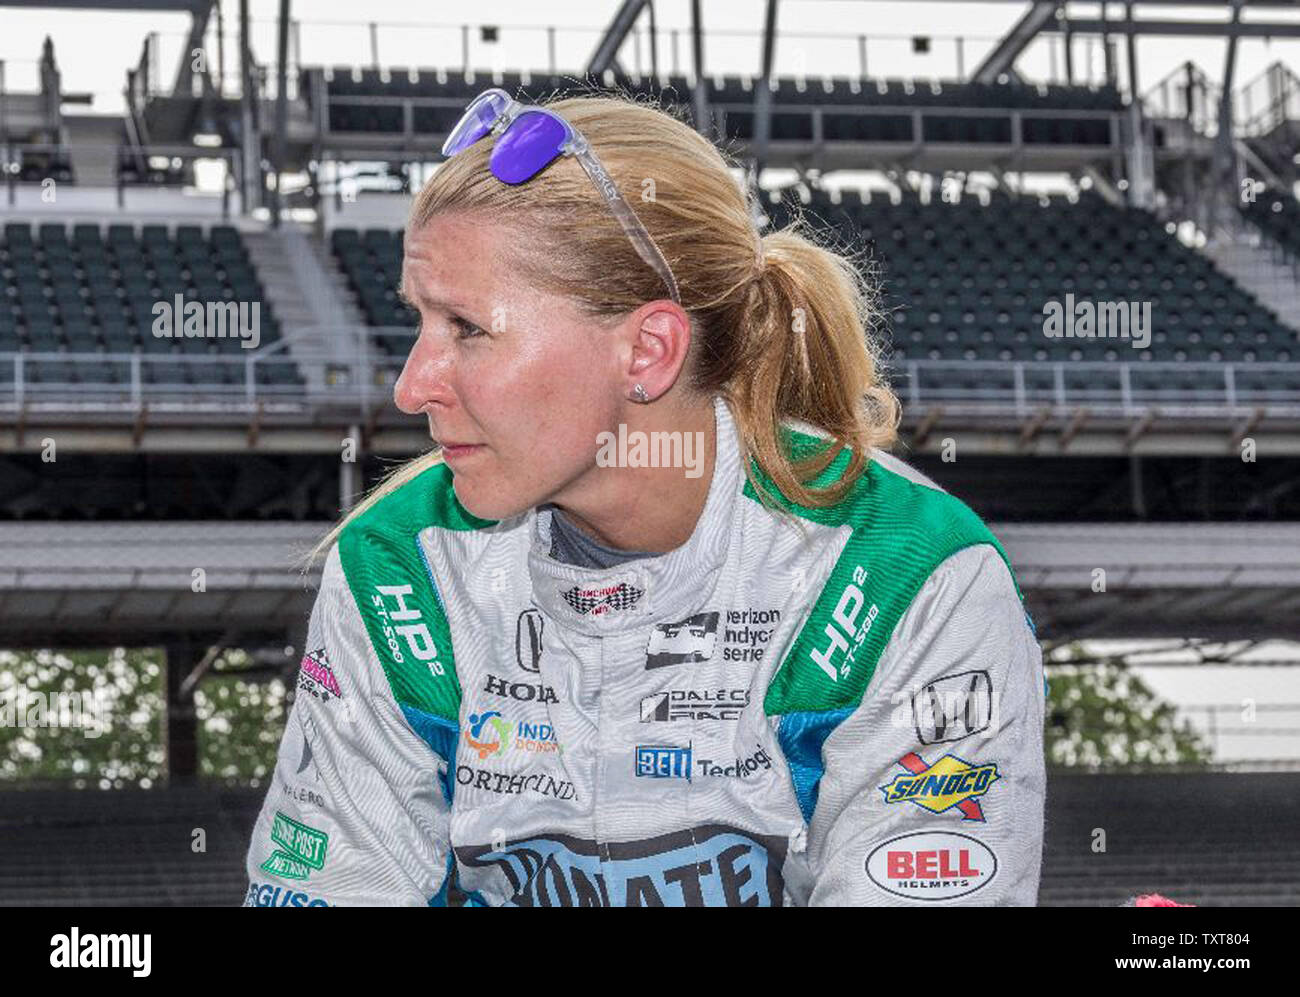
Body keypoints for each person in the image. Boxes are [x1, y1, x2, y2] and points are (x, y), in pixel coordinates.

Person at [243, 86, 1046, 907]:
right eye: (418, 322)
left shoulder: (910, 570)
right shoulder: (396, 569)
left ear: (647, 350)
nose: (412, 387)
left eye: (468, 328)